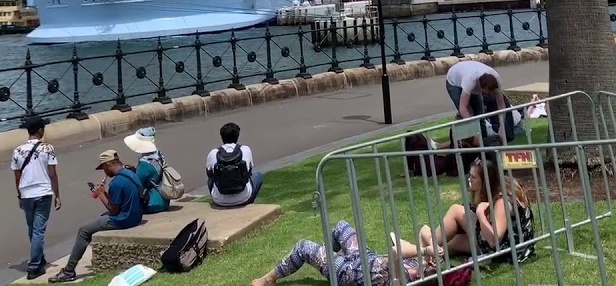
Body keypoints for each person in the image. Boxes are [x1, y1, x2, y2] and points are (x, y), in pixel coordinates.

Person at [48, 150, 142, 283]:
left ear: (109, 164)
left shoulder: (116, 182)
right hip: (136, 215)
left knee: (84, 231)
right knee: (101, 218)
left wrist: (100, 194)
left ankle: (69, 271)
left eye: (104, 168)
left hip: (125, 219)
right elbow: (119, 201)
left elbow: (114, 210)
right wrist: (103, 192)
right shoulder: (130, 173)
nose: (104, 172)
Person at [418, 157, 535, 264]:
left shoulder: (502, 201)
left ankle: (427, 244)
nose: (469, 180)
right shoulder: (502, 184)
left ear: (485, 181)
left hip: (505, 249)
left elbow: (494, 240)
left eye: (473, 177)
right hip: (508, 243)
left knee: (455, 210)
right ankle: (425, 255)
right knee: (454, 242)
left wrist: (480, 214)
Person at [250, 219, 431, 286]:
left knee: (303, 247)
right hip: (364, 256)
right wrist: (431, 251)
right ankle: (325, 259)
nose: (428, 269)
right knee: (340, 226)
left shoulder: (404, 281)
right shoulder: (419, 264)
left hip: (347, 272)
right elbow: (422, 230)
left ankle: (268, 279)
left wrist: (424, 251)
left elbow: (395, 251)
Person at [12, 115, 61, 280]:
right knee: (39, 230)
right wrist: (57, 195)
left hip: (26, 194)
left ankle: (39, 258)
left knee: (32, 229)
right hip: (43, 192)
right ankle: (34, 267)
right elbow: (52, 174)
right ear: (40, 130)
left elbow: (17, 176)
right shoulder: (47, 148)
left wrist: (19, 195)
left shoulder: (17, 150)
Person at [444, 60, 517, 147]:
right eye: (485, 93)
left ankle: (484, 143)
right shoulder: (470, 80)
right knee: (468, 114)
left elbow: (501, 106)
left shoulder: (496, 79)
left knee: (480, 115)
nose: (487, 95)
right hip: (454, 82)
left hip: (470, 77)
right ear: (479, 85)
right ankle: (464, 143)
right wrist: (474, 129)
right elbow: (463, 108)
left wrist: (502, 127)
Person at [206, 122, 263, 208]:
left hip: (219, 200)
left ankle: (223, 197)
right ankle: (248, 202)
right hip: (244, 198)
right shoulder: (245, 149)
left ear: (222, 136)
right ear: (237, 136)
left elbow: (209, 175)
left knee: (211, 178)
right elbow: (249, 171)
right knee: (257, 175)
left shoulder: (213, 153)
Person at [123, 126, 170, 214]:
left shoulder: (145, 164)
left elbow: (137, 182)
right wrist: (135, 169)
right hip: (163, 199)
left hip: (153, 203)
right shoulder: (157, 155)